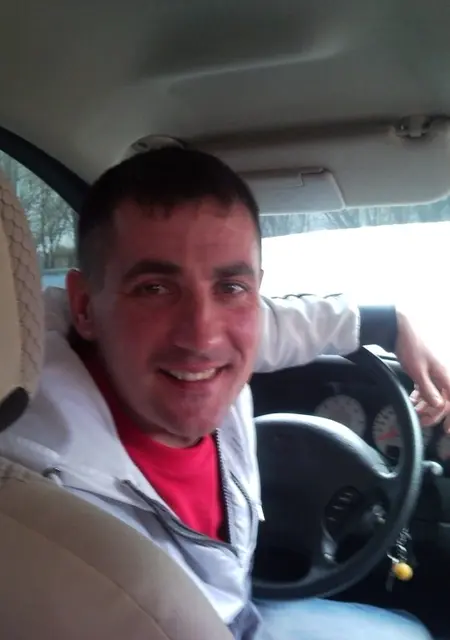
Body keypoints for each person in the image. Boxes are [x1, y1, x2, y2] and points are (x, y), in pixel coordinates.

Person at [2, 147, 449, 639]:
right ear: (85, 307)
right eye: (154, 288)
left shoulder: (230, 339)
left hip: (240, 616)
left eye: (231, 287)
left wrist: (389, 322)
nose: (203, 338)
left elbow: (283, 323)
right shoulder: (28, 490)